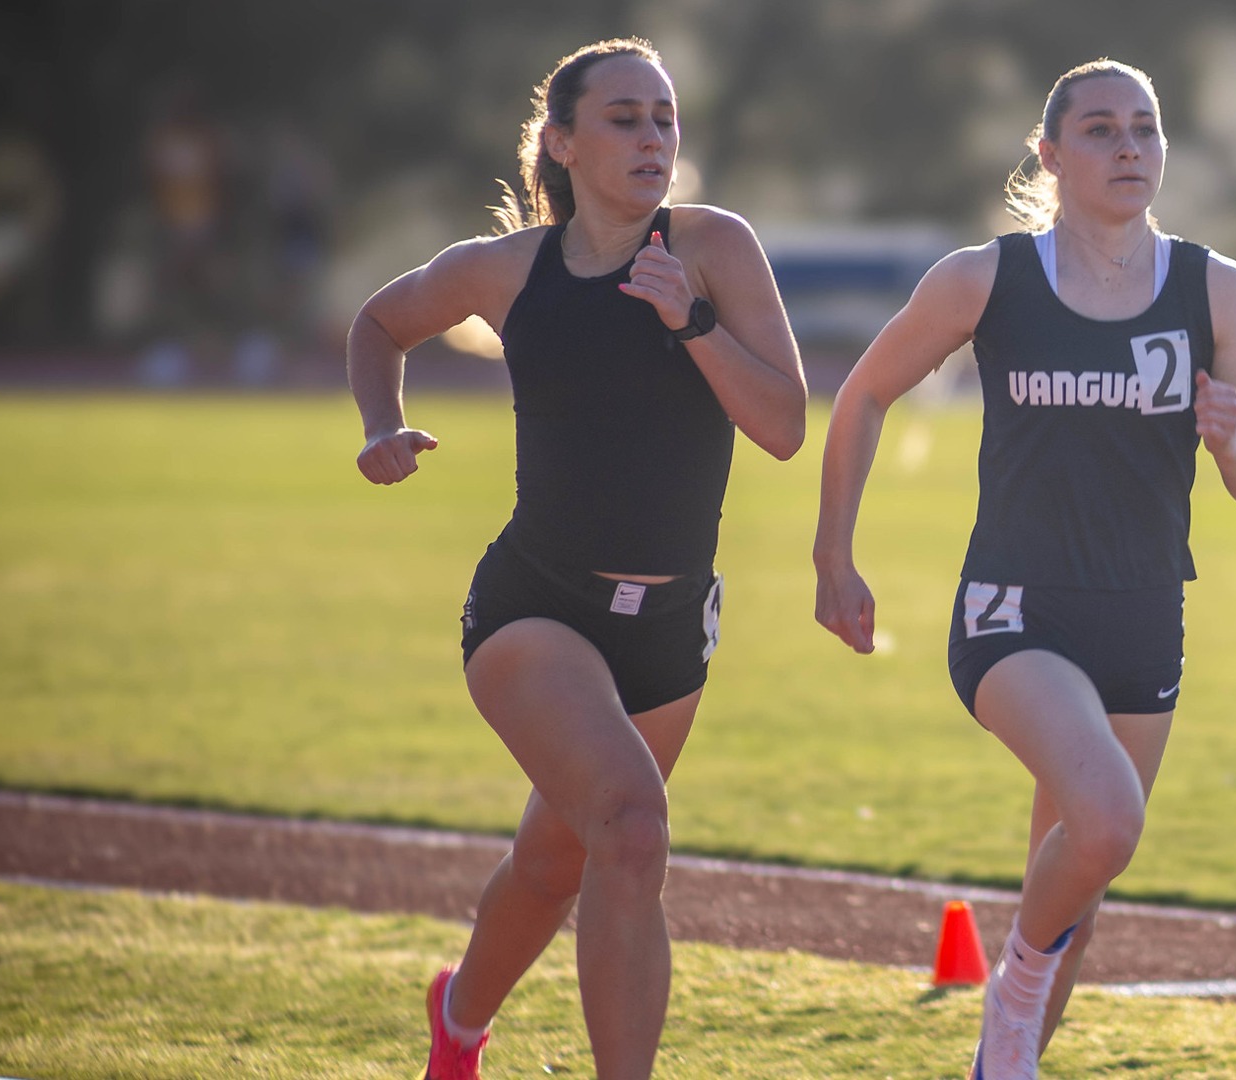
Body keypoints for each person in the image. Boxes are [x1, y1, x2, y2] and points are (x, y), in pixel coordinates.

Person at [812, 58, 1236, 1079]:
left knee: (1079, 874)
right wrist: (832, 553)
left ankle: (1006, 1056)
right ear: (1051, 153)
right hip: (1014, 612)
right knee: (1109, 821)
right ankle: (1014, 987)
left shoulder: (1217, 289)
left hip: (1145, 618)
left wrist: (1232, 443)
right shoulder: (986, 279)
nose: (1129, 149)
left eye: (1145, 130)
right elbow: (861, 398)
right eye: (1103, 131)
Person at [347, 38, 806, 1080]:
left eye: (665, 118)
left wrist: (690, 319)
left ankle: (457, 1023)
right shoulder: (506, 271)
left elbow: (783, 425)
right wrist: (381, 423)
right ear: (560, 143)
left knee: (559, 859)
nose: (653, 138)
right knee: (634, 830)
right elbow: (381, 321)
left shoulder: (717, 249)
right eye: (625, 118)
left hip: (673, 627)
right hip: (536, 607)